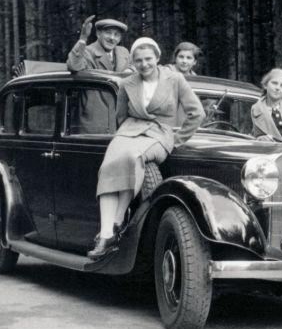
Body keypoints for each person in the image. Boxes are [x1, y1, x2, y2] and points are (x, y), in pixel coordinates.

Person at [87, 37, 206, 259]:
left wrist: (177, 139)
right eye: (139, 60)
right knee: (109, 165)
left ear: (158, 58)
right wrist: (125, 134)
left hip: (160, 133)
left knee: (132, 158)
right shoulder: (127, 83)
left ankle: (118, 220)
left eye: (148, 59)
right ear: (133, 61)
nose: (144, 64)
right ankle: (106, 233)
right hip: (129, 131)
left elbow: (197, 113)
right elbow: (121, 116)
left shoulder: (175, 79)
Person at [66, 15, 132, 72]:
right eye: (108, 32)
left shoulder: (124, 52)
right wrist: (83, 38)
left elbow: (134, 66)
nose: (112, 38)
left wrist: (131, 70)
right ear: (98, 34)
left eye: (116, 35)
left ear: (120, 39)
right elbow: (74, 67)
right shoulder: (87, 52)